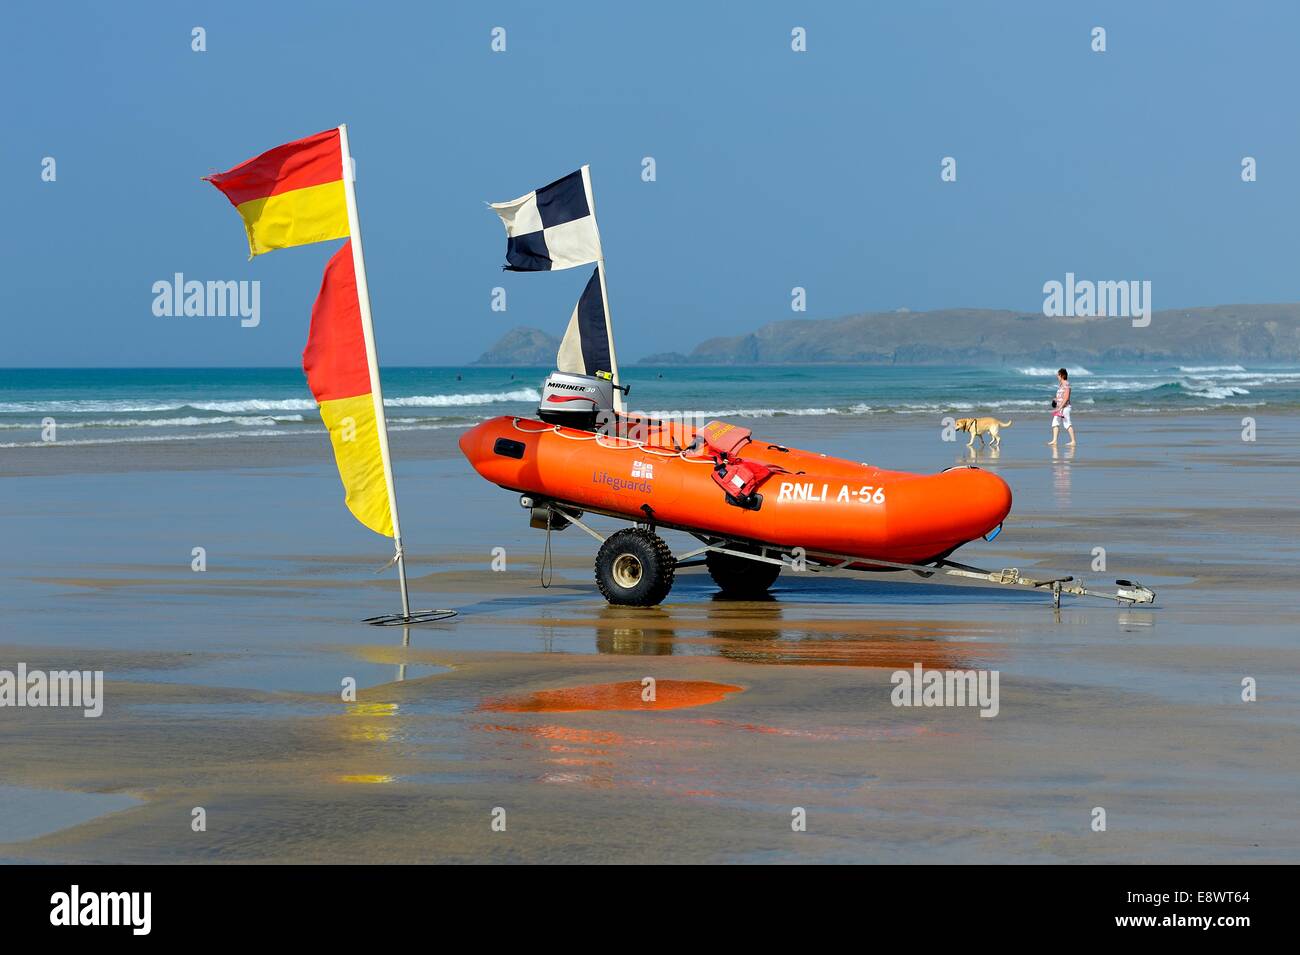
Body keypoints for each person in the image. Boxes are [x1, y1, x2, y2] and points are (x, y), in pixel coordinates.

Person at [1048, 367, 1076, 447]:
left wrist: (1060, 407)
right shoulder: (1060, 385)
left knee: (1067, 424)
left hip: (1065, 408)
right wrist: (1055, 399)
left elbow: (1066, 397)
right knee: (1055, 422)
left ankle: (1073, 441)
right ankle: (1054, 440)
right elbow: (1060, 396)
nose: (1057, 376)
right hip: (1059, 407)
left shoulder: (1067, 384)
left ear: (1062, 375)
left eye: (1058, 375)